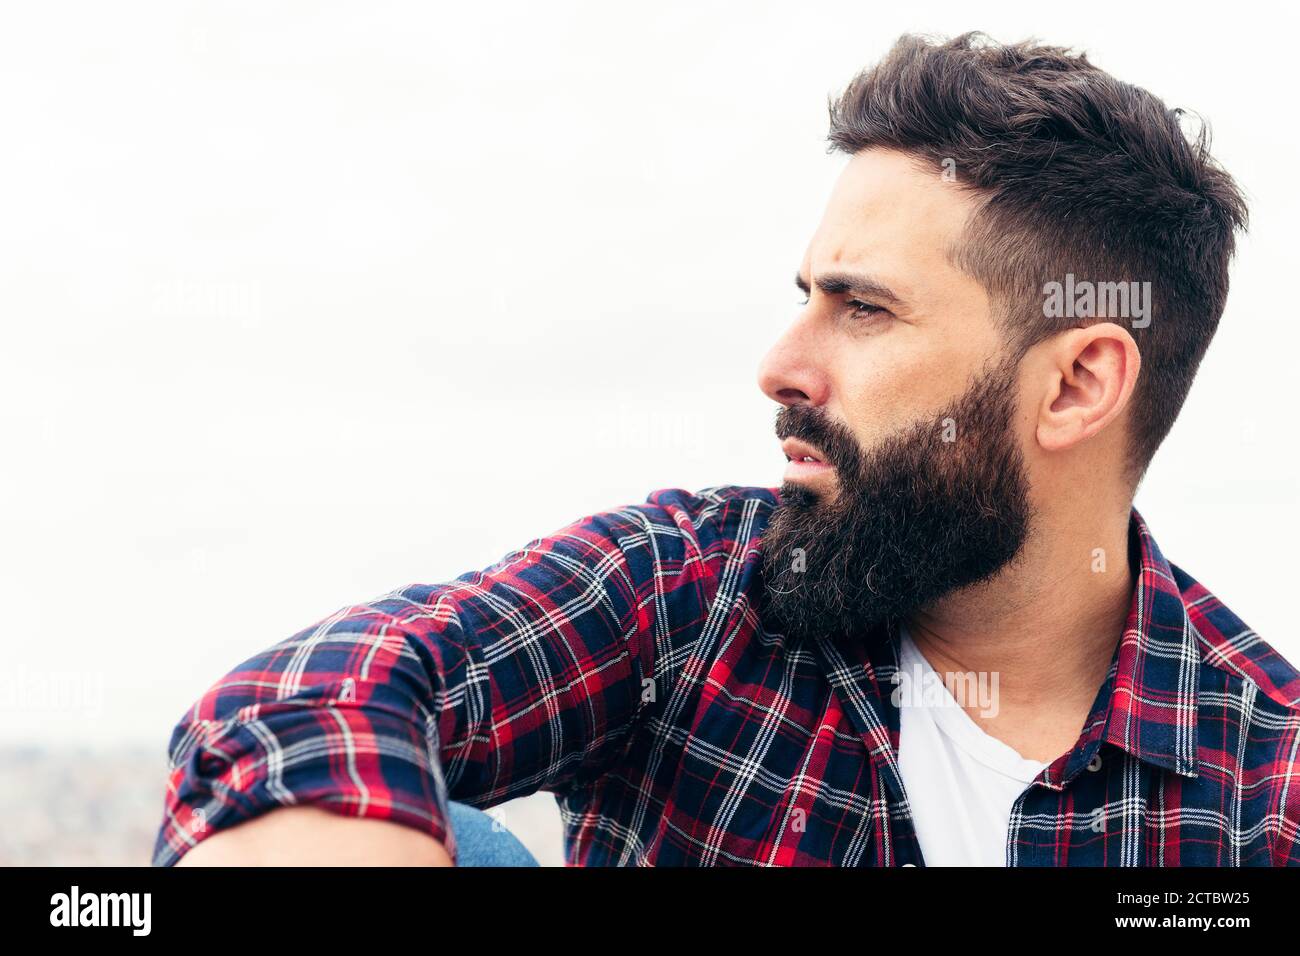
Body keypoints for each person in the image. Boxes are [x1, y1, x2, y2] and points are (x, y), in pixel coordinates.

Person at [154, 32, 1300, 867]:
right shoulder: (694, 588)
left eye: (862, 309)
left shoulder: (1266, 783)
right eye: (806, 294)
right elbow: (312, 691)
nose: (780, 365)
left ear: (1076, 384)